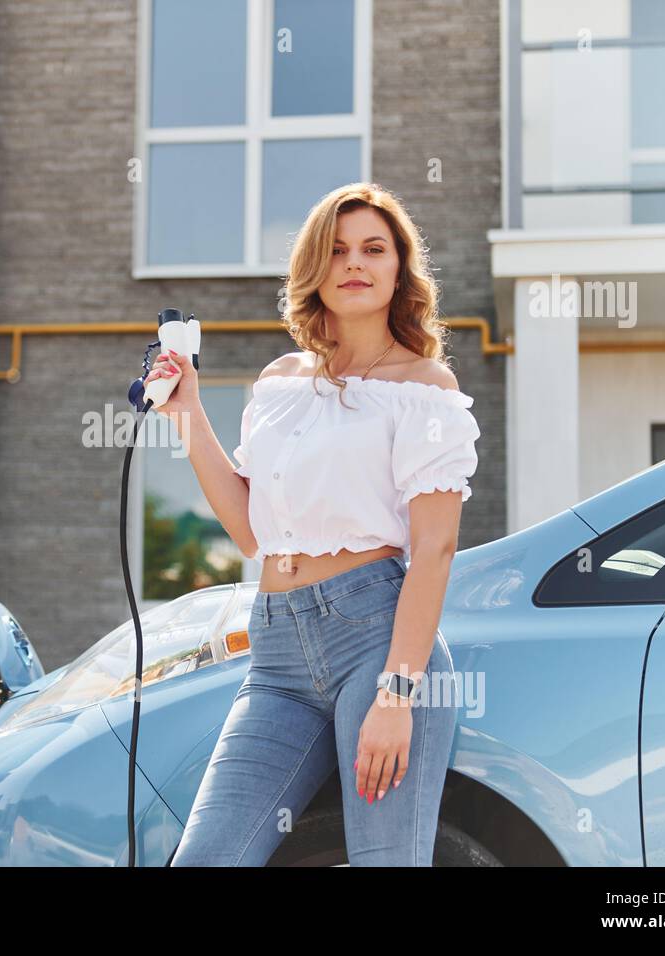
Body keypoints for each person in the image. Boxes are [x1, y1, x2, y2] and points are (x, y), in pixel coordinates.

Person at [151, 182, 479, 866]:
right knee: (207, 856)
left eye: (372, 248)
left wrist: (397, 693)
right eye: (335, 251)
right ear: (313, 270)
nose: (353, 263)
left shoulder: (423, 388)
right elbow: (250, 533)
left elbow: (436, 549)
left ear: (398, 270)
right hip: (276, 652)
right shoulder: (277, 384)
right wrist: (187, 412)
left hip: (376, 641)